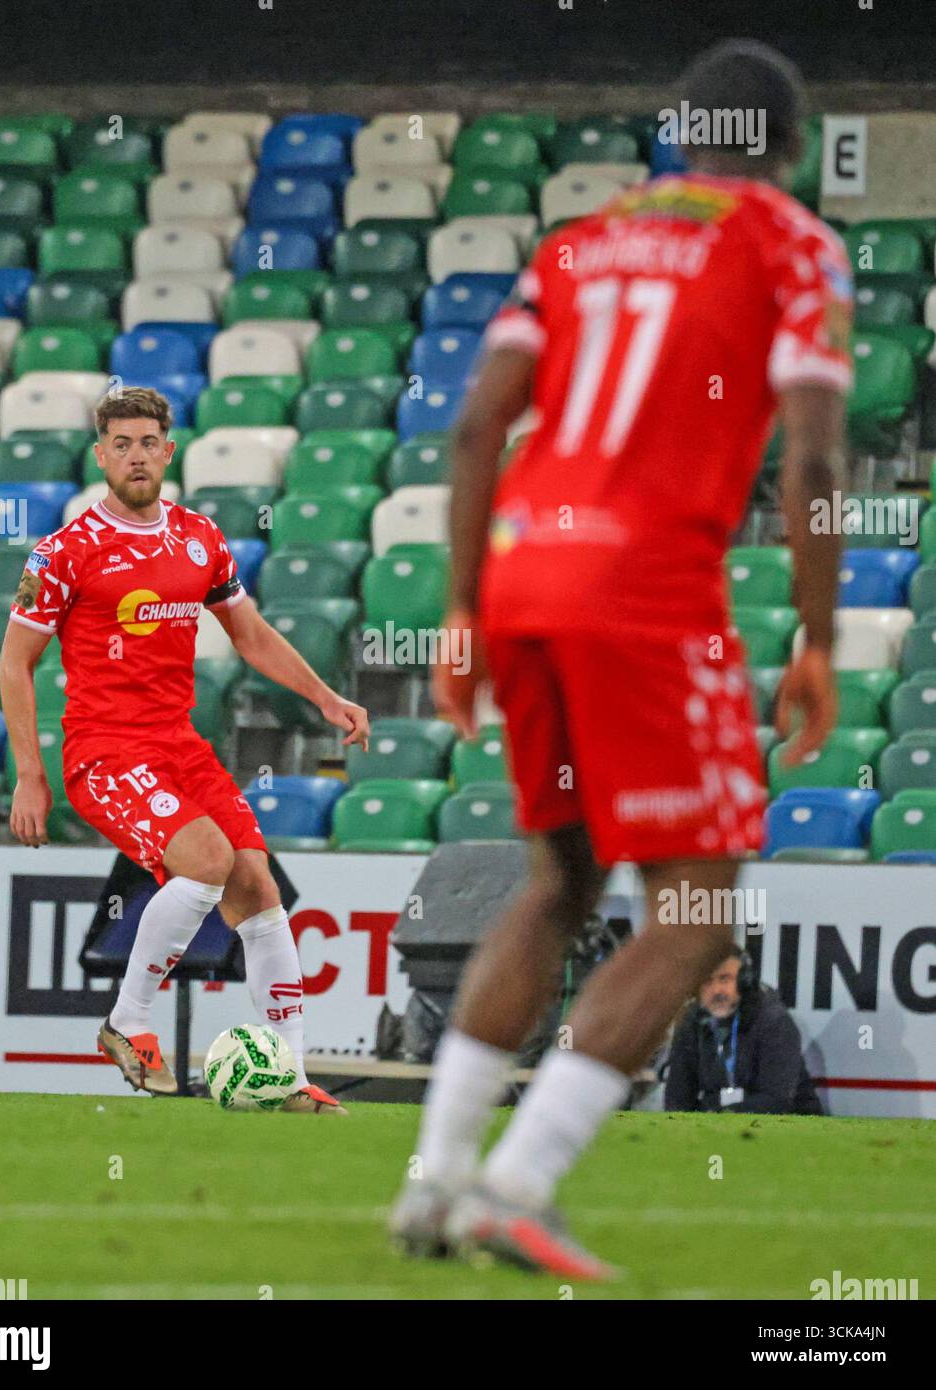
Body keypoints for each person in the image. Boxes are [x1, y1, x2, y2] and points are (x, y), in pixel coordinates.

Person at [390, 38, 851, 1277]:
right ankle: (517, 1180)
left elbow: (477, 420)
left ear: (680, 134)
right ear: (789, 148)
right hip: (642, 591)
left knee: (558, 881)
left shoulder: (577, 244)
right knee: (695, 909)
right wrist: (814, 637)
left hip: (525, 571)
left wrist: (462, 608)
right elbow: (809, 461)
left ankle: (431, 1181)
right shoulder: (792, 244)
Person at [0, 387, 370, 1110]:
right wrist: (28, 776)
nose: (135, 457)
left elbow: (251, 635)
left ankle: (288, 1076)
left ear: (168, 452)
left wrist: (326, 698)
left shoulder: (199, 538)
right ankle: (126, 1021)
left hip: (179, 745)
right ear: (99, 455)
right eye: (121, 445)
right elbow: (15, 662)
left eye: (148, 443)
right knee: (206, 861)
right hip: (104, 752)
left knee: (258, 888)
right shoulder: (65, 553)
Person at [663, 951, 822, 1115]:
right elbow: (677, 1100)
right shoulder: (691, 1021)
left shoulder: (774, 1020)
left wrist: (715, 1114)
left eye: (724, 979)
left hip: (787, 1128)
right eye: (707, 981)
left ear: (745, 981)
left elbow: (776, 1101)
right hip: (719, 1124)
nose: (716, 990)